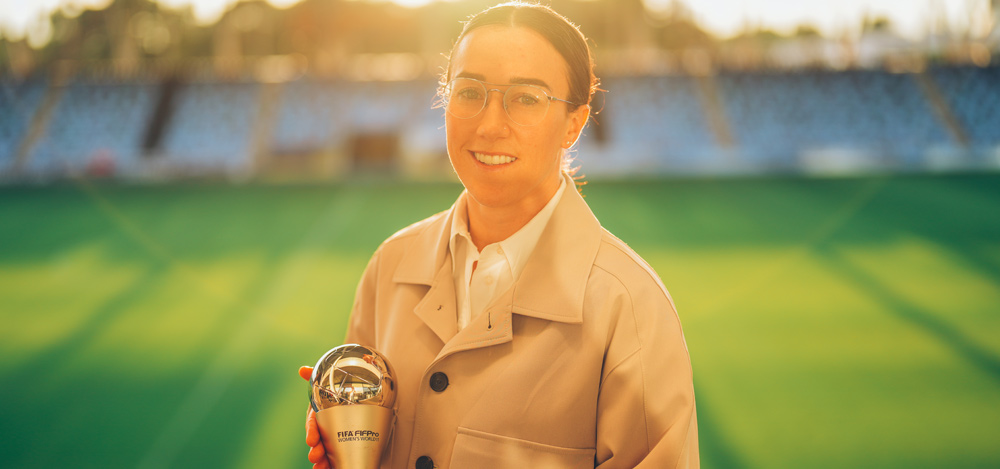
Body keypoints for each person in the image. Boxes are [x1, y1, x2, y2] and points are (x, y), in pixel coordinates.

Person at [298, 2, 698, 467]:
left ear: (574, 123)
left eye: (526, 98)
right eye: (469, 92)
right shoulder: (389, 267)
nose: (489, 125)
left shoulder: (629, 308)